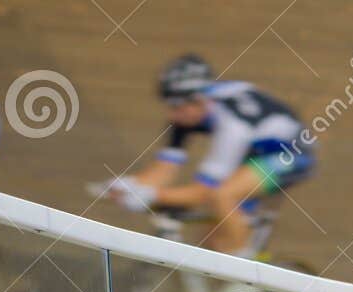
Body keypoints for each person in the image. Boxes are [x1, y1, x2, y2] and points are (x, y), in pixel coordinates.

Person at [102, 55, 313, 257]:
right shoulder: (189, 113)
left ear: (199, 100)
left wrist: (154, 196)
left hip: (291, 154)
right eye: (168, 105)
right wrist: (127, 185)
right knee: (210, 241)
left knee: (223, 196)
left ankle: (249, 275)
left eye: (177, 106)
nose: (171, 115)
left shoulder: (232, 125)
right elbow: (164, 169)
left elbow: (205, 191)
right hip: (253, 152)